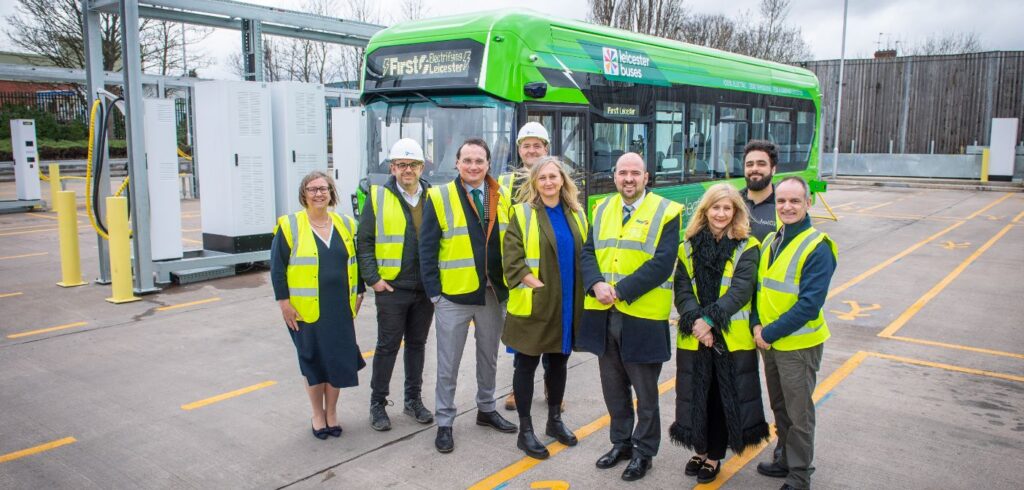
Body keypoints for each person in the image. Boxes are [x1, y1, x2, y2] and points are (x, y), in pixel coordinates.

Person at [578, 152, 683, 482]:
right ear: (614, 176)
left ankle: (643, 452)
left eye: (635, 173)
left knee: (646, 393)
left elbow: (663, 263)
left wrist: (619, 290)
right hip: (604, 315)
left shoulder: (666, 212)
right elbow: (588, 252)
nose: (628, 179)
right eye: (623, 172)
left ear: (646, 177)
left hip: (642, 317)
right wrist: (595, 283)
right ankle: (620, 443)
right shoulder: (602, 207)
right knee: (613, 388)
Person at [419, 137, 517, 454]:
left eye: (479, 161)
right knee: (448, 363)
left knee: (489, 357)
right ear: (457, 164)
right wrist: (435, 294)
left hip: (492, 292)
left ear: (488, 164)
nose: (473, 166)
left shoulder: (500, 195)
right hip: (453, 295)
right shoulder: (439, 196)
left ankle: (486, 410)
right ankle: (445, 422)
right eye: (467, 161)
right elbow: (427, 248)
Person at [669, 183, 770, 484]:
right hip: (697, 336)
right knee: (694, 395)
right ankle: (699, 448)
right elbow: (682, 288)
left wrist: (708, 321)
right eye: (716, 207)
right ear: (705, 210)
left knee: (721, 398)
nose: (721, 214)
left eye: (728, 208)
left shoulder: (747, 246)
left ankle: (713, 455)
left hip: (730, 338)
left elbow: (740, 291)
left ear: (736, 212)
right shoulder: (687, 245)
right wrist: (697, 323)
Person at [752, 176, 837, 490]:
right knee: (780, 406)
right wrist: (757, 326)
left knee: (799, 413)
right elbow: (761, 290)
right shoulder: (772, 240)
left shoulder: (818, 247)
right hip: (770, 341)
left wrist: (768, 332)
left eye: (794, 201)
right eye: (782, 201)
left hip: (798, 345)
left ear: (808, 203)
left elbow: (810, 304)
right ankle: (785, 458)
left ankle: (800, 476)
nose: (787, 207)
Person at [501, 156, 587, 460]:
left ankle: (554, 421)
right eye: (543, 178)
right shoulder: (522, 214)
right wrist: (538, 287)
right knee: (525, 365)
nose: (549, 182)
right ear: (534, 183)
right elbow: (512, 261)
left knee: (558, 363)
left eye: (554, 176)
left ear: (563, 180)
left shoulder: (577, 213)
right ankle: (525, 431)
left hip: (566, 305)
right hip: (535, 306)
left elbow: (585, 255)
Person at [271, 170, 365, 440]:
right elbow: (278, 269)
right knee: (313, 362)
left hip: (339, 307)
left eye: (323, 188)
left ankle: (332, 412)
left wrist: (359, 292)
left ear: (331, 193)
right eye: (312, 189)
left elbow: (356, 261)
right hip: (304, 309)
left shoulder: (346, 224)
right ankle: (317, 414)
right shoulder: (290, 225)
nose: (319, 193)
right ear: (304, 194)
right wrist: (284, 303)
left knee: (335, 361)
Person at [357, 138, 434, 432]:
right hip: (392, 289)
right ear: (392, 167)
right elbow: (364, 241)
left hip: (425, 289)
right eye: (401, 164)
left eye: (412, 164)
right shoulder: (378, 197)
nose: (407, 170)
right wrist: (373, 279)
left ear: (421, 167)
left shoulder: (434, 196)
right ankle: (378, 404)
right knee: (387, 346)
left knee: (417, 345)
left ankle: (412, 400)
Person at [499, 121, 550, 202]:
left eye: (537, 146)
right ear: (519, 150)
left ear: (546, 150)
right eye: (526, 146)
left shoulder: (557, 180)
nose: (532, 150)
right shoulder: (505, 182)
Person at [741, 140, 780, 242]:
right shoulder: (732, 201)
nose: (754, 169)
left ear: (773, 169)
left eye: (761, 164)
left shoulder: (783, 205)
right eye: (749, 164)